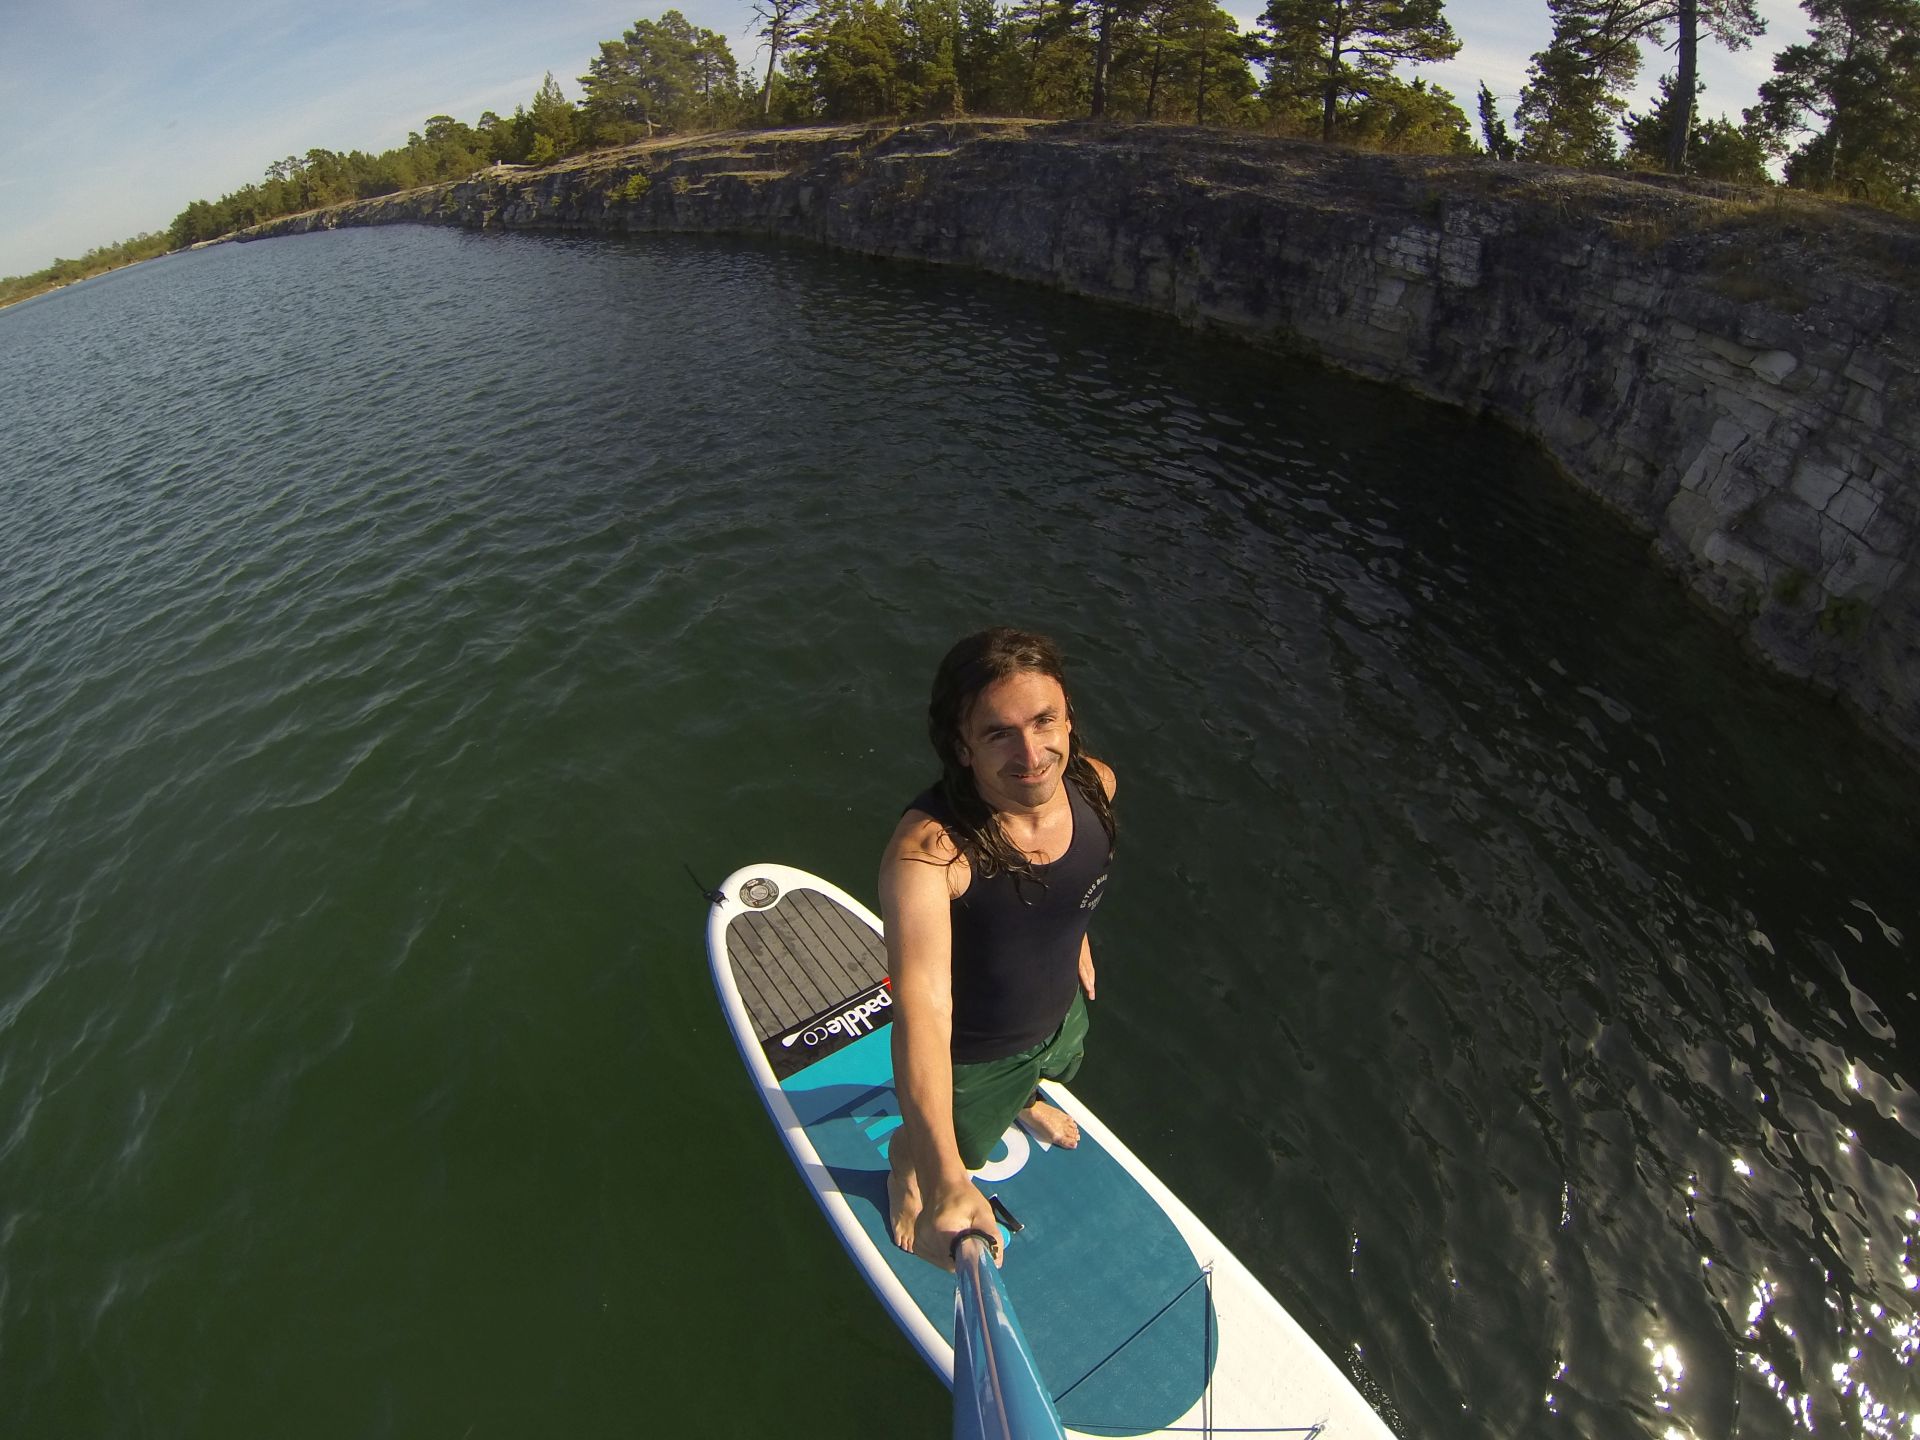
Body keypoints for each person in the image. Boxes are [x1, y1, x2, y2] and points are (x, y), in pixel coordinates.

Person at [881, 627, 1116, 1271]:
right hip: (975, 1054)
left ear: (1069, 717)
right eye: (998, 733)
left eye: (1045, 721)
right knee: (956, 1149)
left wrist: (1075, 931)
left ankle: (1030, 1097)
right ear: (962, 747)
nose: (1033, 753)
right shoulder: (933, 853)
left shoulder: (1097, 785)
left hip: (1059, 1013)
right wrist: (947, 1179)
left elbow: (1074, 878)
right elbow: (923, 1008)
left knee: (1052, 1069)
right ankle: (907, 1160)